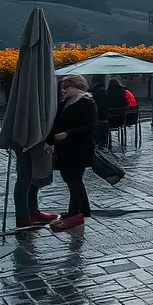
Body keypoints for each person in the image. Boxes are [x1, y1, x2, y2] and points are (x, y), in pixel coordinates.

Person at [47, 74, 99, 231]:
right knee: (71, 179)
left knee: (73, 179)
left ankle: (73, 212)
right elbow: (56, 125)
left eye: (67, 87)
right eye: (63, 87)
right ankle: (83, 211)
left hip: (80, 149)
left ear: (77, 87)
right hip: (65, 149)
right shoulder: (64, 104)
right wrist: (50, 142)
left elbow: (91, 126)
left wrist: (68, 134)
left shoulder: (87, 103)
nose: (63, 91)